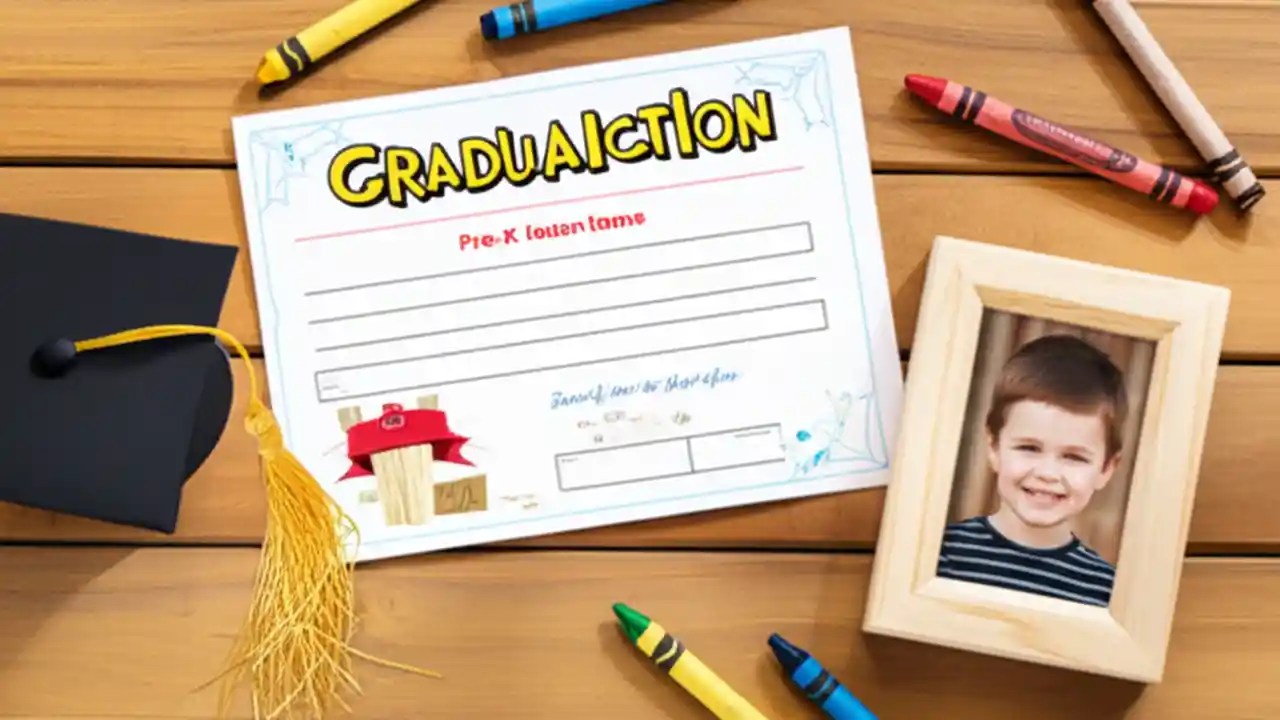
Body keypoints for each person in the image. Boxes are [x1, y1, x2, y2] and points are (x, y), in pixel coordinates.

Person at [937, 333, 1128, 607]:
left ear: (1106, 468)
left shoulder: (1107, 592)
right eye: (1029, 448)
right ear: (993, 447)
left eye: (1074, 457)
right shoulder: (941, 553)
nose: (1047, 473)